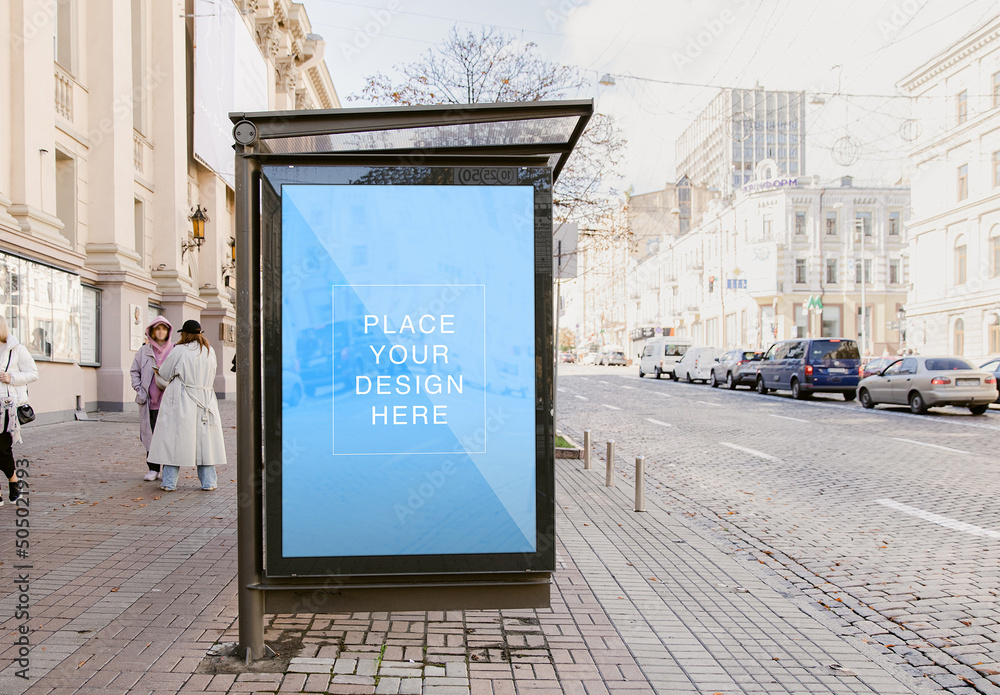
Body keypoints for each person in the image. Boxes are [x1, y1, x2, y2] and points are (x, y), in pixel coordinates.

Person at [147, 320, 226, 491]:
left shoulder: (179, 350)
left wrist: (158, 370)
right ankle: (209, 482)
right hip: (206, 398)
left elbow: (166, 373)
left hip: (183, 397)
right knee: (205, 442)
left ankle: (169, 482)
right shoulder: (209, 351)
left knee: (174, 440)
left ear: (184, 334)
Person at [129, 316, 174, 481]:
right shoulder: (144, 351)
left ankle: (168, 469)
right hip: (150, 402)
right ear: (152, 332)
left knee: (167, 436)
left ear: (168, 331)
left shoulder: (175, 349)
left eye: (164, 328)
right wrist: (139, 388)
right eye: (157, 328)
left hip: (169, 403)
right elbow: (134, 371)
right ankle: (153, 468)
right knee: (150, 436)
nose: (161, 332)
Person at [0, 316, 38, 505]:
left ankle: (13, 481)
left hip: (6, 408)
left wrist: (11, 377)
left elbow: (33, 374)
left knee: (3, 448)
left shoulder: (17, 349)